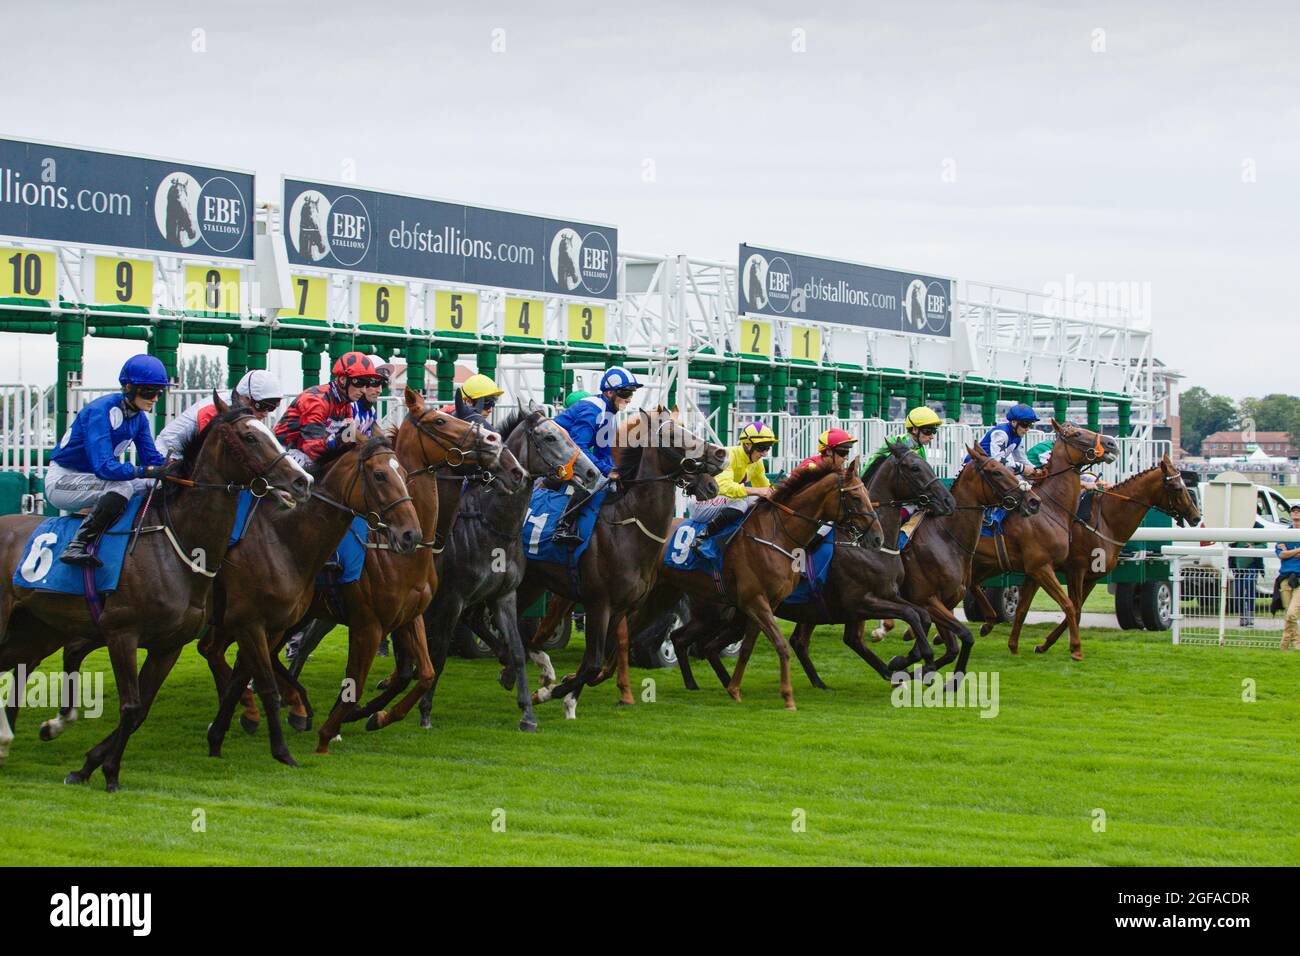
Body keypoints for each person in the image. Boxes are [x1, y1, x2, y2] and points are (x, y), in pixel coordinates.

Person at [46, 354, 177, 567]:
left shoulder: (139, 418)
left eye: (159, 393)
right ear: (128, 387)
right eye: (149, 391)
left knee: (153, 483)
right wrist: (145, 471)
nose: (154, 398)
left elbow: (152, 459)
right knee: (122, 486)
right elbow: (104, 468)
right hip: (63, 480)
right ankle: (77, 544)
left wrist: (175, 468)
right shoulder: (99, 411)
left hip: (92, 480)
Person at [550, 366, 643, 545]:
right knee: (592, 479)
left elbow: (604, 452)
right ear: (609, 393)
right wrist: (606, 471)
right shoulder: (593, 409)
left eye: (631, 393)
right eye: (625, 393)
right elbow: (578, 447)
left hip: (565, 451)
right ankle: (563, 526)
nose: (629, 399)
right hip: (551, 452)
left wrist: (616, 471)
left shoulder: (611, 413)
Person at [275, 351, 376, 465]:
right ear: (343, 379)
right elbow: (312, 448)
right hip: (283, 451)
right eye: (359, 383)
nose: (363, 390)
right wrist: (339, 440)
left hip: (307, 452)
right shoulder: (317, 400)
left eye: (367, 384)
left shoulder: (346, 405)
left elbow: (348, 439)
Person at [156, 369, 283, 457]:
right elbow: (207, 452)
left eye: (271, 408)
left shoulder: (237, 406)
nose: (266, 413)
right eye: (262, 406)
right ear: (246, 398)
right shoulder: (214, 410)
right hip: (168, 454)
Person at [692, 420, 777, 544]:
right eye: (761, 448)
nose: (764, 453)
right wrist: (757, 491)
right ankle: (703, 536)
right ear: (747, 444)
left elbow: (765, 488)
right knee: (740, 503)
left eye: (768, 448)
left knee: (761, 501)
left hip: (722, 501)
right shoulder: (728, 455)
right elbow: (723, 487)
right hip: (702, 502)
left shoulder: (757, 463)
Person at [974, 404, 1041, 477]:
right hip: (975, 468)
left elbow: (1022, 459)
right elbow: (998, 460)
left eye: (1030, 425)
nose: (1027, 429)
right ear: (1014, 422)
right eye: (1025, 424)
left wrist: (1035, 469)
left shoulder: (1017, 437)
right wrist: (1022, 468)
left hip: (989, 468)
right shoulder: (1001, 433)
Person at [352, 354, 396, 438]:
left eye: (383, 384)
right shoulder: (349, 407)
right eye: (375, 383)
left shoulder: (371, 411)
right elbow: (348, 441)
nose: (380, 390)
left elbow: (382, 438)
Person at [1275, 504, 1300, 650]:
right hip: (1285, 578)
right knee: (1289, 615)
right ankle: (1293, 646)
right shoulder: (1284, 534)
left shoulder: (1285, 537)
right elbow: (1281, 555)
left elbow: (1285, 553)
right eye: (1294, 511)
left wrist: (1289, 551)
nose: (1296, 513)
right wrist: (1297, 551)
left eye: (1298, 511)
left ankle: (1287, 644)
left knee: (1291, 613)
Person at [1230, 540, 1264, 628]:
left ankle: (1250, 615)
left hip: (1252, 564)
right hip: (1237, 566)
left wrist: (1254, 547)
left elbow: (1264, 545)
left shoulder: (1257, 527)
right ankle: (1242, 616)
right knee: (1238, 591)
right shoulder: (1233, 527)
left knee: (1249, 585)